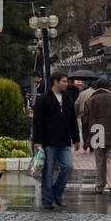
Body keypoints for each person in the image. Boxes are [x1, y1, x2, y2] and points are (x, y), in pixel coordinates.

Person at [31, 71, 78, 210]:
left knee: (68, 167)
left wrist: (76, 138)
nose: (66, 84)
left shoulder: (68, 98)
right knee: (48, 171)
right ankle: (47, 200)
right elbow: (37, 122)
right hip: (49, 141)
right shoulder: (44, 99)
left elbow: (73, 119)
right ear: (55, 82)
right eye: (63, 81)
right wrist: (37, 141)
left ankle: (56, 194)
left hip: (64, 141)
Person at [81, 78, 111, 196]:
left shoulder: (90, 101)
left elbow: (85, 121)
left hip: (96, 133)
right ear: (108, 87)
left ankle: (99, 185)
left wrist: (86, 138)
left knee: (100, 160)